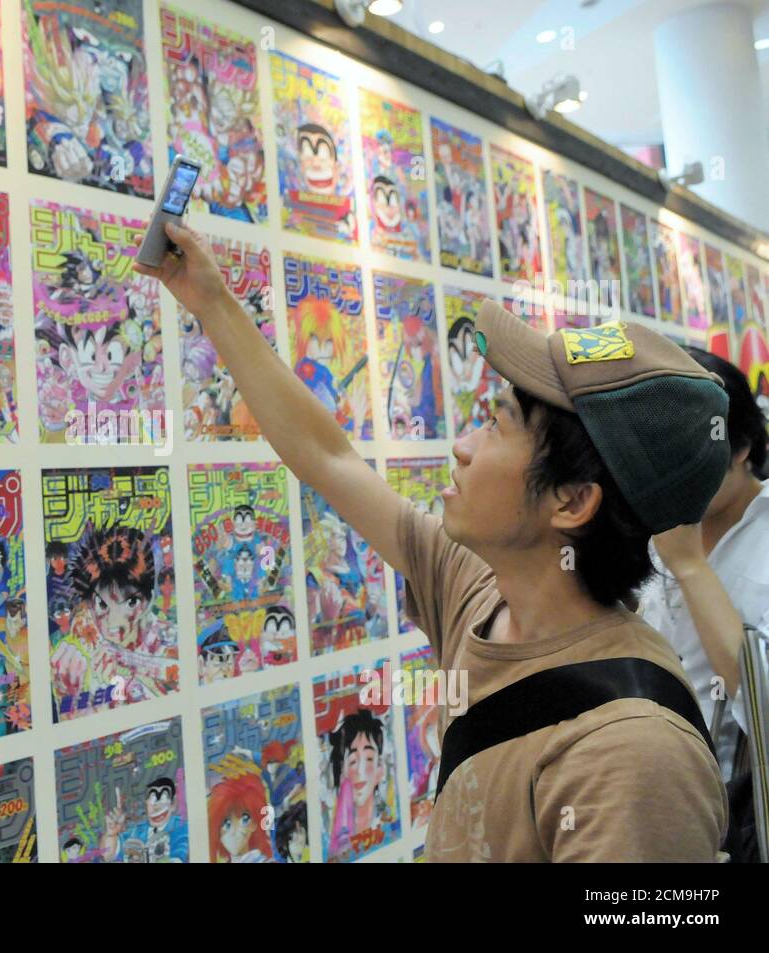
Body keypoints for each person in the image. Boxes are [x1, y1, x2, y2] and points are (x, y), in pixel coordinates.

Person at [136, 218, 730, 861]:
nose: (463, 446)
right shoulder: (481, 593)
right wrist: (211, 301)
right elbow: (327, 458)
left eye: (500, 427)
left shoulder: (632, 754)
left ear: (573, 501)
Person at [637, 347, 769, 780]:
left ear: (741, 447)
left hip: (732, 811)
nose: (671, 473)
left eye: (686, 451)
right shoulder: (652, 521)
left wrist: (691, 567)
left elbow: (762, 712)